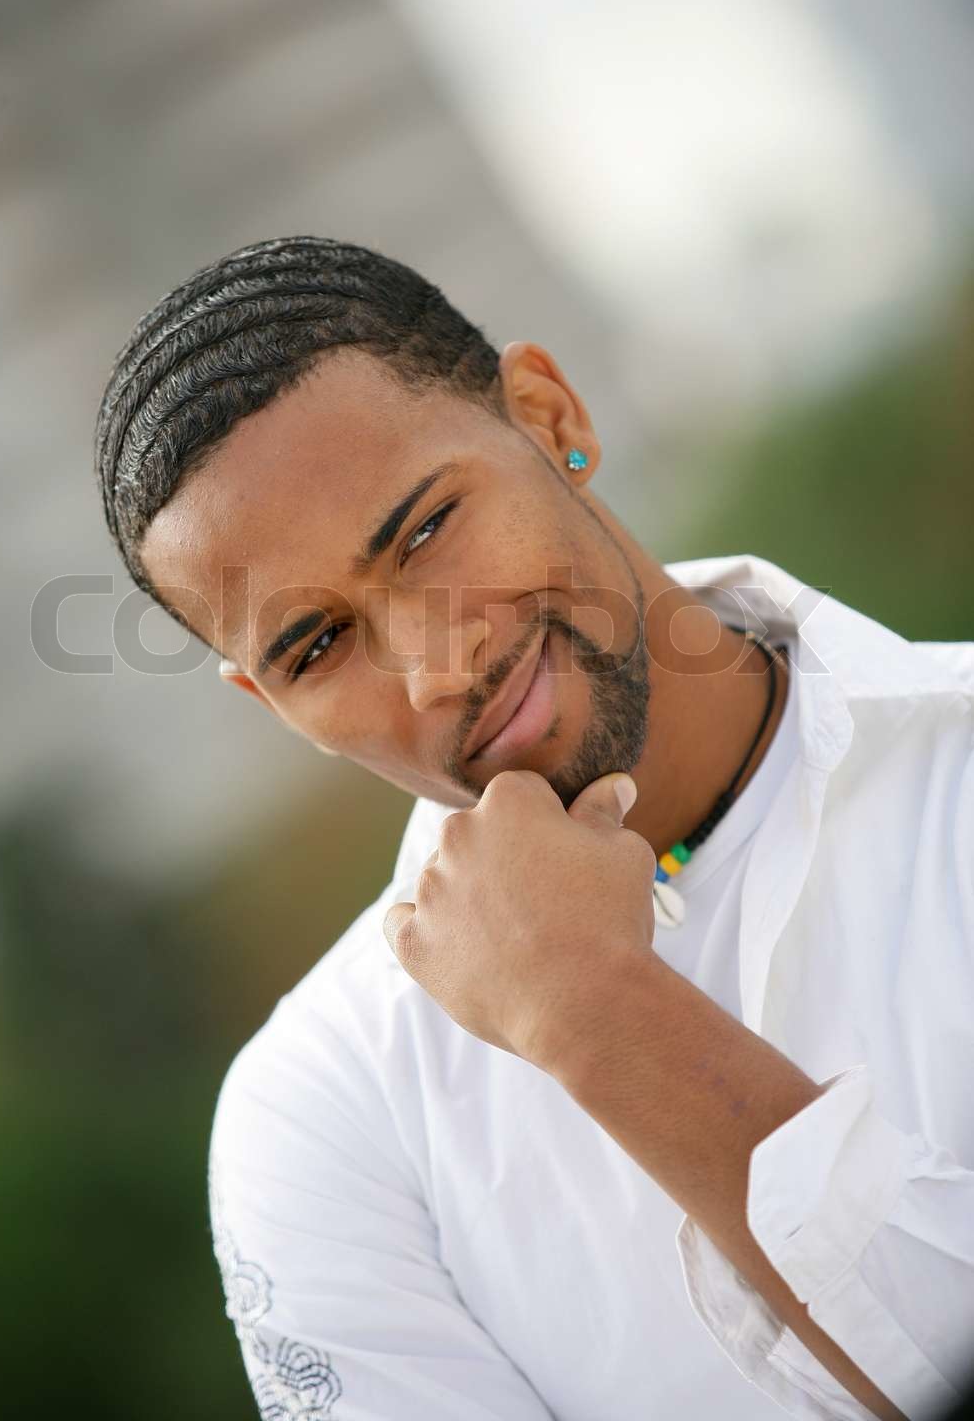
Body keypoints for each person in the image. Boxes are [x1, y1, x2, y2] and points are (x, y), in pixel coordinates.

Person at [94, 237, 974, 1421]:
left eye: (422, 531)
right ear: (269, 702)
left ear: (547, 414)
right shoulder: (325, 1118)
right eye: (315, 645)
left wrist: (599, 1014)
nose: (433, 664)